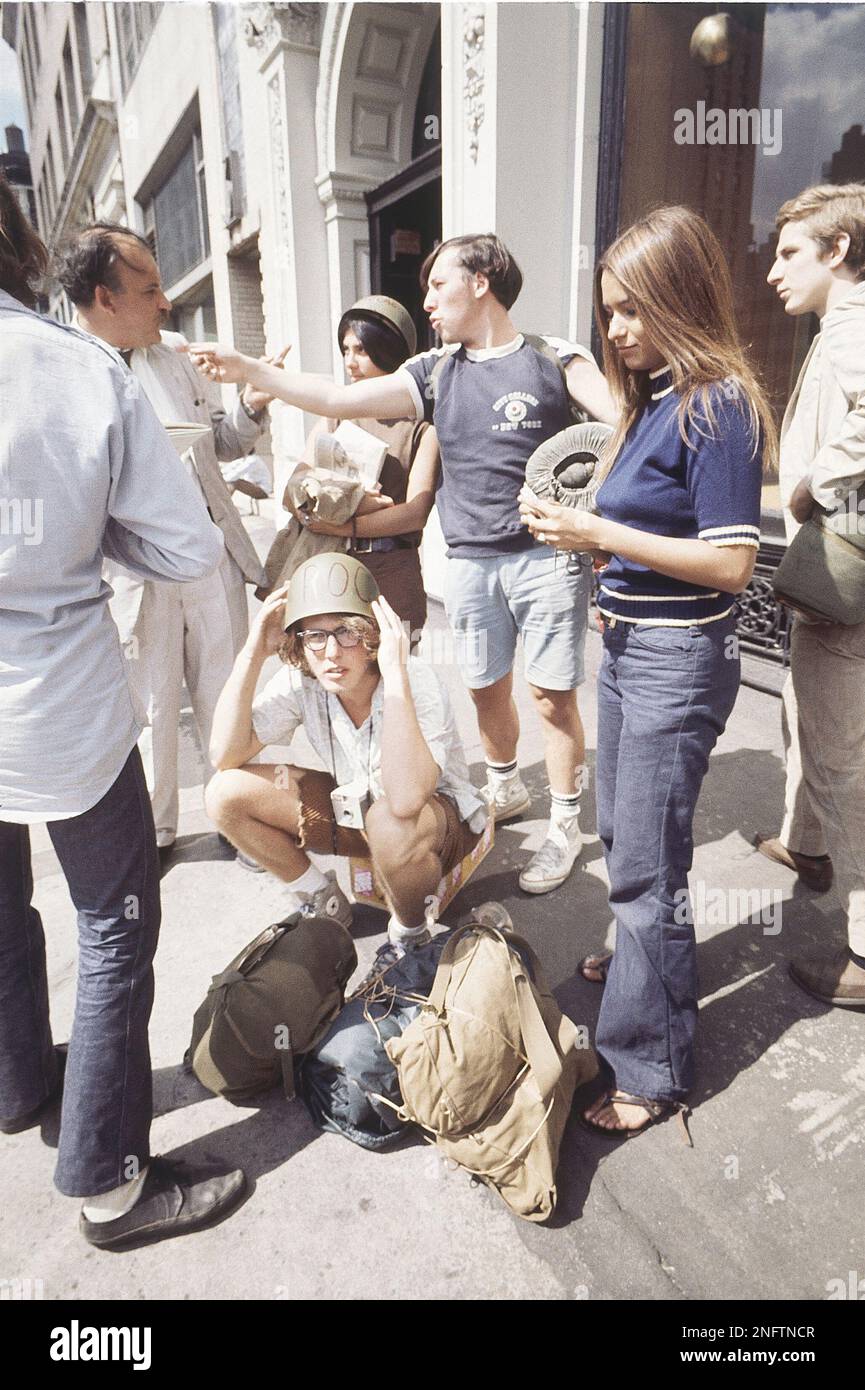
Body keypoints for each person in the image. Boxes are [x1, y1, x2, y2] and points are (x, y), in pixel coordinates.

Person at [186, 234, 616, 896]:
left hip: (546, 557)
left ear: (481, 282)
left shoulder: (555, 356)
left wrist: (594, 516)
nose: (428, 301)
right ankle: (505, 788)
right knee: (485, 690)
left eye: (439, 284)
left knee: (551, 699)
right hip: (472, 564)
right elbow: (334, 399)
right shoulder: (433, 372)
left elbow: (622, 424)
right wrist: (252, 370)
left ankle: (564, 825)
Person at [0, 174, 245, 1247]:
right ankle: (108, 1181)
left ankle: (16, 1084)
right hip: (51, 698)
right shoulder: (74, 371)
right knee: (114, 923)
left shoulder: (116, 365)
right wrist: (83, 542)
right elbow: (184, 543)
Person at [520, 206, 774, 1136]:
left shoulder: (716, 404)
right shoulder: (658, 397)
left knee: (647, 866)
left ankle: (650, 1068)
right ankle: (641, 964)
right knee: (626, 847)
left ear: (681, 297)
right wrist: (603, 567)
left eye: (634, 310)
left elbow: (732, 562)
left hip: (673, 660)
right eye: (609, 313)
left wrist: (594, 532)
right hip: (629, 645)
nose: (619, 331)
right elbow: (657, 534)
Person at [56, 223, 281, 858]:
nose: (165, 302)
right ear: (105, 297)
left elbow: (222, 445)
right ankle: (153, 838)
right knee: (150, 707)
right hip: (130, 575)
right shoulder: (64, 370)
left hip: (209, 561)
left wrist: (254, 407)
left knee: (226, 694)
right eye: (150, 288)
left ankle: (237, 819)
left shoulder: (177, 353)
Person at [205, 553, 487, 953]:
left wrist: (395, 676)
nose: (331, 653)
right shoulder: (304, 678)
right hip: (362, 812)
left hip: (434, 826)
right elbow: (224, 754)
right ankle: (324, 899)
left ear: (372, 635)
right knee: (224, 792)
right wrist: (252, 654)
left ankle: (410, 934)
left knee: (391, 821)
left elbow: (407, 800)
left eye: (345, 633)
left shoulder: (413, 681)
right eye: (315, 636)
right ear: (299, 642)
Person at [757, 182, 865, 1008]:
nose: (772, 272)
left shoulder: (856, 328)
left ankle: (863, 953)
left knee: (843, 764)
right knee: (804, 716)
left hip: (843, 571)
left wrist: (807, 490)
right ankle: (806, 845)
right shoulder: (838, 328)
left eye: (789, 252)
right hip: (826, 573)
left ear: (837, 252)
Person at [271, 295, 440, 639]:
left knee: (395, 675)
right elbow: (293, 491)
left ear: (389, 349)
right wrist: (327, 515)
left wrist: (345, 526)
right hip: (330, 566)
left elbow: (415, 513)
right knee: (331, 673)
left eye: (361, 350)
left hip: (391, 569)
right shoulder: (335, 417)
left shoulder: (422, 426)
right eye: (345, 350)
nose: (350, 362)